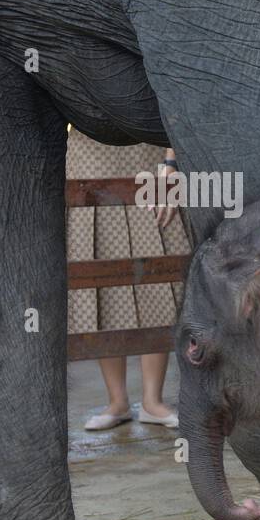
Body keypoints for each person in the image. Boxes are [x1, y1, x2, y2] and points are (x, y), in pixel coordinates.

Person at [67, 129, 190, 429]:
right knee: (99, 271)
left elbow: (169, 96)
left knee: (158, 272)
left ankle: (152, 401)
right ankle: (117, 402)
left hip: (149, 154)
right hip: (87, 157)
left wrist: (171, 163)